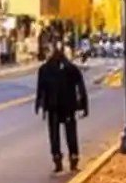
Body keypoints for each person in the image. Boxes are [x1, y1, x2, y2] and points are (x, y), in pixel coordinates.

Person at [35, 44, 89, 173]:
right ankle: (73, 157)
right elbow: (81, 88)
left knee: (54, 134)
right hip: (68, 105)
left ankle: (57, 158)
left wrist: (39, 104)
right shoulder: (71, 69)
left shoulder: (45, 69)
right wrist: (84, 105)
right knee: (70, 132)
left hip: (53, 106)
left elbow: (40, 90)